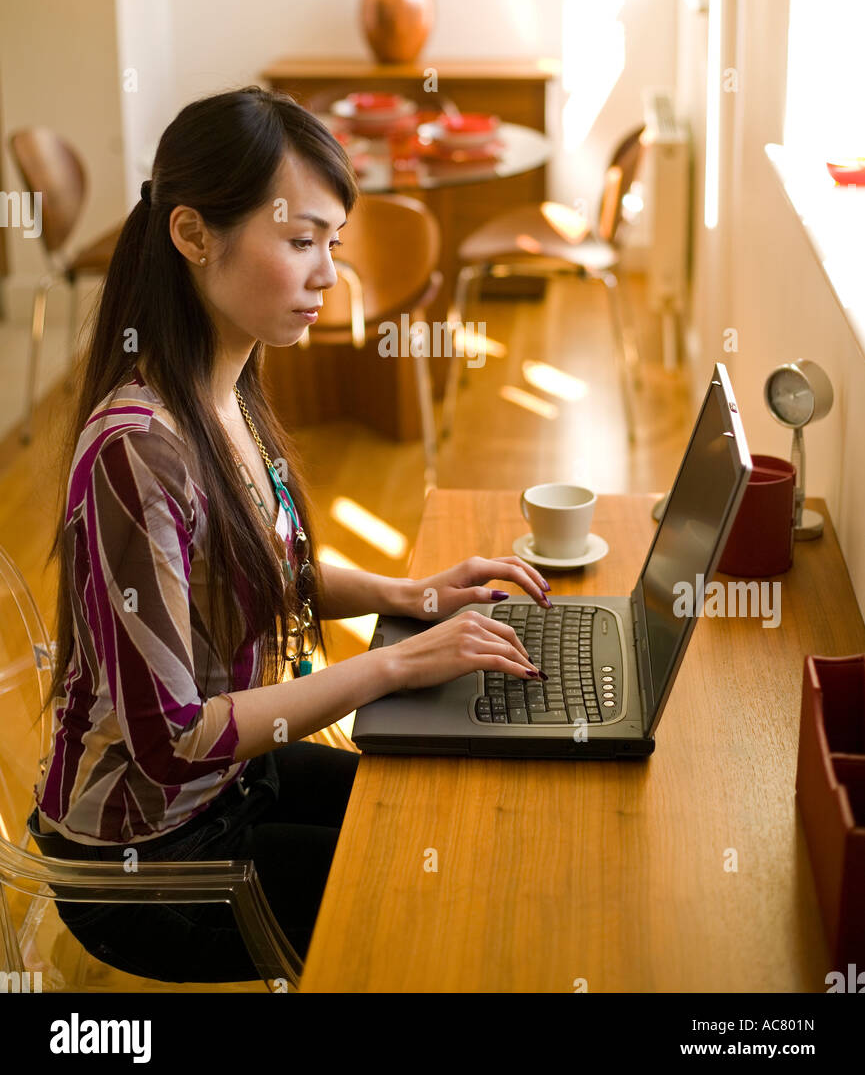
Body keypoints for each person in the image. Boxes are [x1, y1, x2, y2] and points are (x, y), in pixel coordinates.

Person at [28, 85, 551, 985]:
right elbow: (170, 739)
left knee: (437, 820)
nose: (327, 276)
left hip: (230, 785)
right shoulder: (135, 455)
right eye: (301, 241)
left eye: (332, 246)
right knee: (425, 905)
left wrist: (415, 595)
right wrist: (392, 663)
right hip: (146, 859)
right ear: (194, 236)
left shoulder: (226, 391)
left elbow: (274, 565)